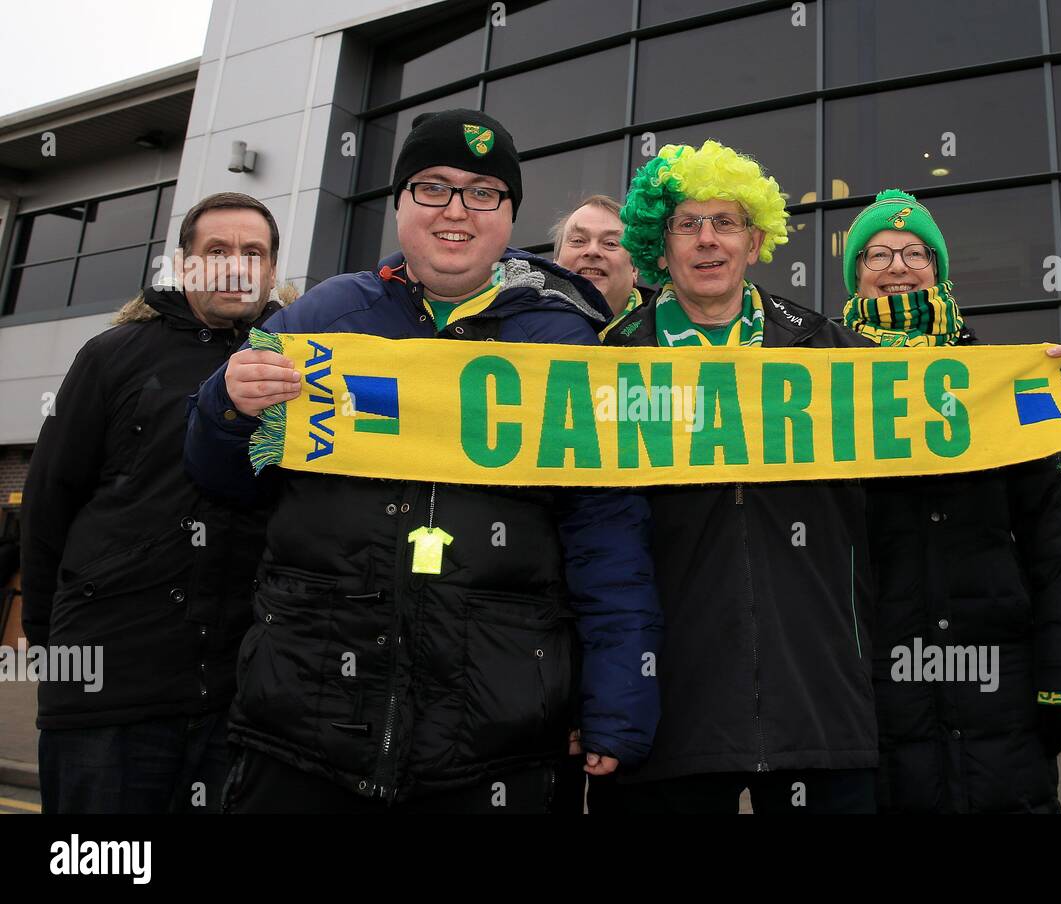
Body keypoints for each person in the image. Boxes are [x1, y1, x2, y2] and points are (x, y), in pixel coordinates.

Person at [184, 110, 661, 813]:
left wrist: (620, 696)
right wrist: (225, 407)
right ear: (399, 204)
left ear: (509, 217)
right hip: (304, 725)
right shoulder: (323, 315)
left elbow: (607, 534)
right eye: (433, 187)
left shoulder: (565, 345)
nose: (457, 211)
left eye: (483, 192)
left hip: (493, 742)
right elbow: (221, 479)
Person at [598, 140, 879, 814]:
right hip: (667, 695)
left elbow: (948, 404)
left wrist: (1050, 389)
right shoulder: (601, 363)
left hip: (816, 695)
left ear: (755, 241)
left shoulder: (831, 351)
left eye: (725, 222)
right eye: (686, 224)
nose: (706, 240)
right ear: (658, 247)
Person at [21, 192, 285, 813]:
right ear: (183, 265)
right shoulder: (112, 355)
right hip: (108, 690)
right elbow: (48, 503)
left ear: (273, 271)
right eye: (215, 251)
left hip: (238, 699)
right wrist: (47, 647)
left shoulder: (301, 360)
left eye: (254, 253)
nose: (235, 266)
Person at [841, 188, 1061, 812]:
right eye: (877, 254)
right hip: (870, 678)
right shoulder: (821, 379)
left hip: (998, 683)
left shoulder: (1002, 381)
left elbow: (1055, 546)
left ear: (939, 271)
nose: (897, 266)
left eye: (914, 253)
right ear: (855, 275)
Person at [550, 194, 646, 338]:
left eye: (610, 243)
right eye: (578, 241)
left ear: (634, 270)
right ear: (554, 263)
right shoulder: (517, 325)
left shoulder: (668, 335)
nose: (592, 251)